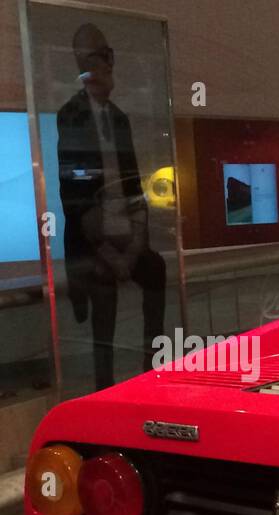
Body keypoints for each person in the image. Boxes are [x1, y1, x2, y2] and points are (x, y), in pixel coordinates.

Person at [57, 22, 166, 391]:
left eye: (99, 60)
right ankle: (104, 385)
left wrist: (135, 246)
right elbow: (75, 195)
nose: (94, 71)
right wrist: (109, 251)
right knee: (104, 282)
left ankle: (152, 369)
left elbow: (134, 186)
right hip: (94, 237)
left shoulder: (119, 119)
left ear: (110, 60)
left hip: (122, 230)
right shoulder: (70, 115)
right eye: (85, 63)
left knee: (155, 268)